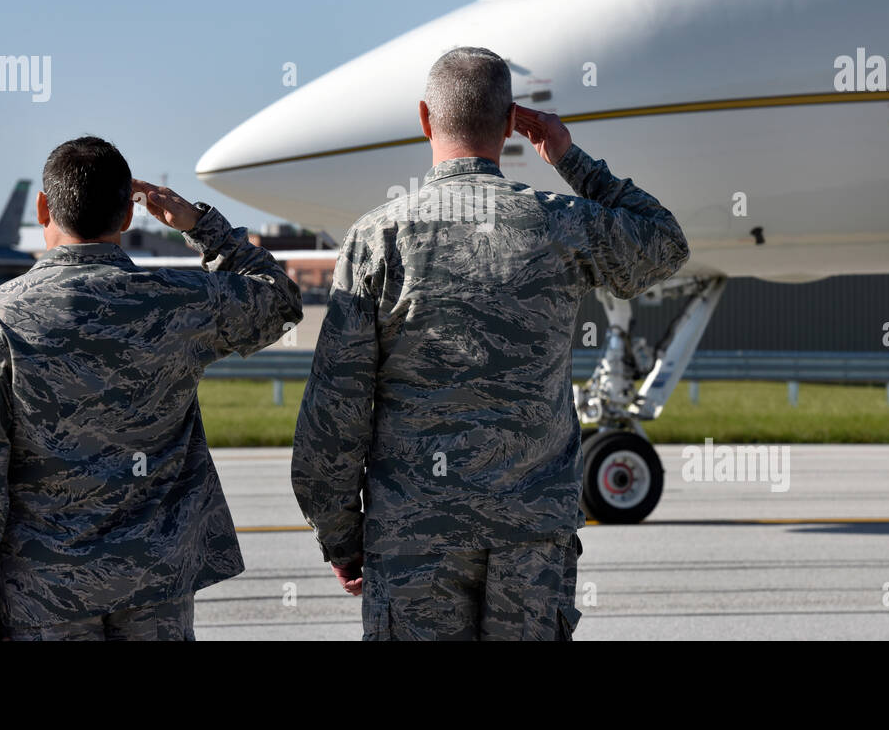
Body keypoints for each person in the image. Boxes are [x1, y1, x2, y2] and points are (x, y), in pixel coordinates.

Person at [291, 46, 689, 640]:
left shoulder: (378, 238)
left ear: (426, 119)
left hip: (414, 534)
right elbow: (665, 241)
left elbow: (334, 411)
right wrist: (570, 158)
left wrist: (342, 536)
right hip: (530, 537)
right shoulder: (562, 223)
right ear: (511, 126)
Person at [0, 136, 301, 640]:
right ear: (128, 216)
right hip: (156, 587)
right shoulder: (178, 303)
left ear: (43, 207)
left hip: (42, 597)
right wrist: (200, 226)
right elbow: (279, 300)